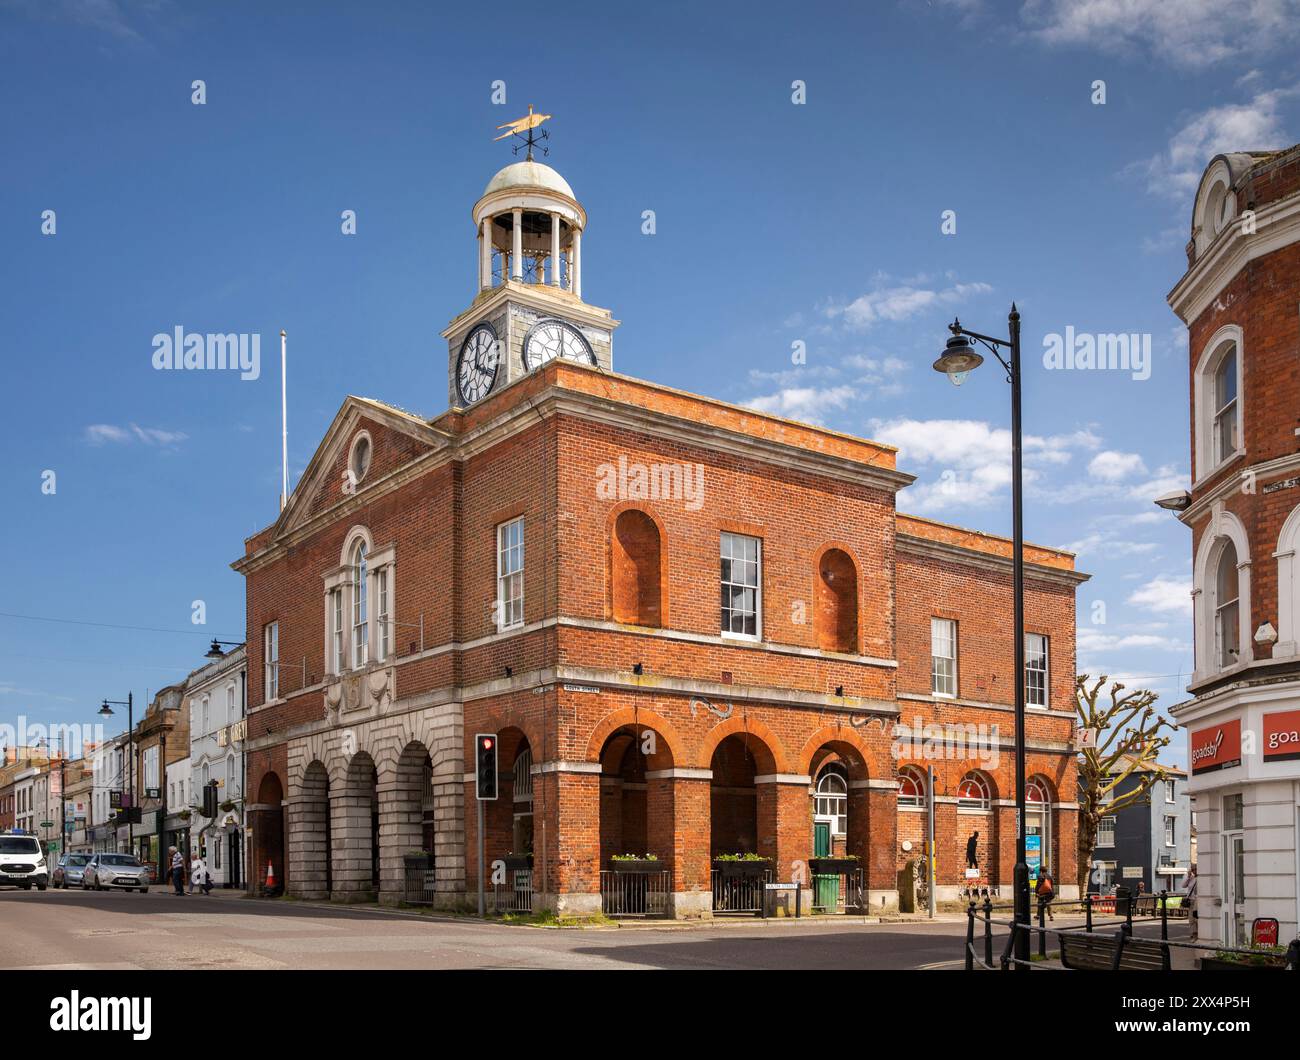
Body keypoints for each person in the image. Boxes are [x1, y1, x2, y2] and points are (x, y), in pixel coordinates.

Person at [1185, 867, 1198, 941]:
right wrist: (1188, 877)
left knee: (1196, 919)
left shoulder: (1201, 878)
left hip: (1197, 901)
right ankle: (1193, 935)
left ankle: (1198, 935)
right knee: (1191, 919)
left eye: (1195, 869)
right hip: (1191, 901)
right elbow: (1183, 885)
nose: (1194, 871)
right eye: (1192, 870)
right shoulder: (1191, 878)